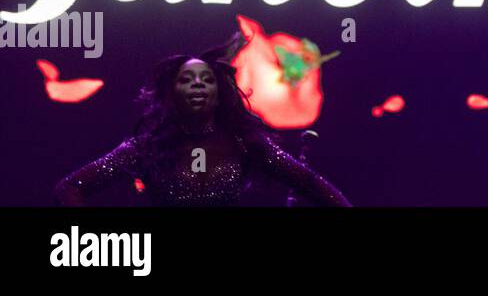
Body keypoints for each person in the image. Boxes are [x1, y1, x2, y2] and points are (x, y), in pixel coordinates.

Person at [54, 39, 351, 206]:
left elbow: (309, 182)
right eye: (187, 80)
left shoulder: (244, 143)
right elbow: (69, 188)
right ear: (172, 93)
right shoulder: (145, 147)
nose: (198, 85)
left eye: (207, 80)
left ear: (219, 94)